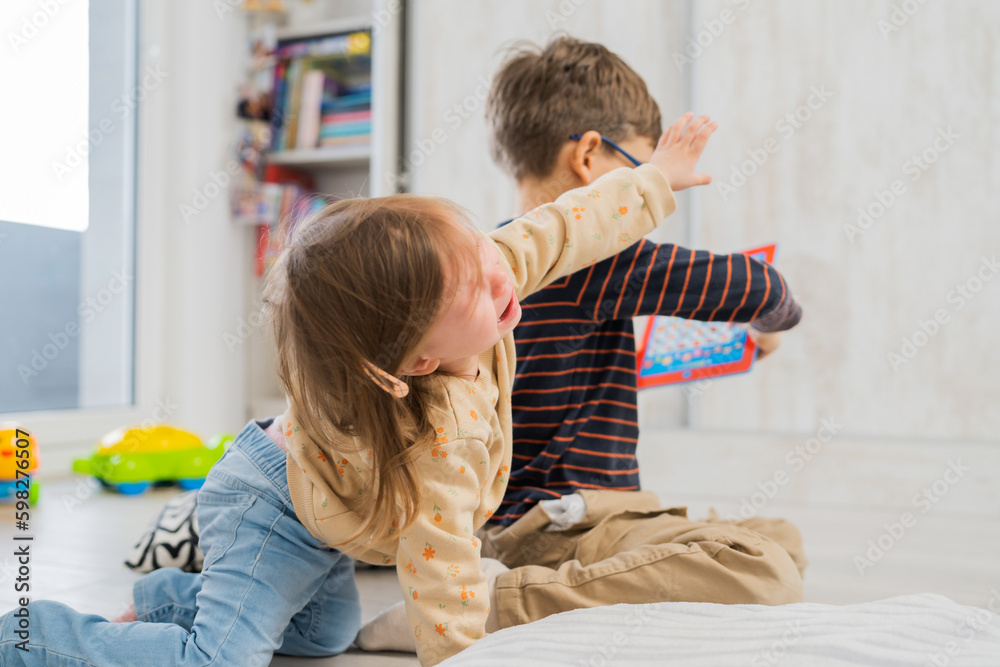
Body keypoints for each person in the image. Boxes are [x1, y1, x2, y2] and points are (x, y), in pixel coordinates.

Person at [0, 116, 715, 667]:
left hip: (330, 516)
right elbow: (442, 573)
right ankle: (30, 633)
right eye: (471, 283)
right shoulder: (439, 438)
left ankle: (171, 595)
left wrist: (657, 177)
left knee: (323, 637)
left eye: (477, 248)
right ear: (414, 359)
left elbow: (567, 225)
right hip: (269, 504)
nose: (498, 274)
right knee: (218, 656)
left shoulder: (487, 270)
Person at [355, 38, 805, 653]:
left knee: (778, 537)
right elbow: (762, 289)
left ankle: (518, 584)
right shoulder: (595, 257)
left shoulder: (493, 263)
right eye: (646, 171)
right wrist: (767, 332)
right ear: (590, 157)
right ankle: (493, 604)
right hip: (565, 521)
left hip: (540, 520)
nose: (656, 200)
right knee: (764, 569)